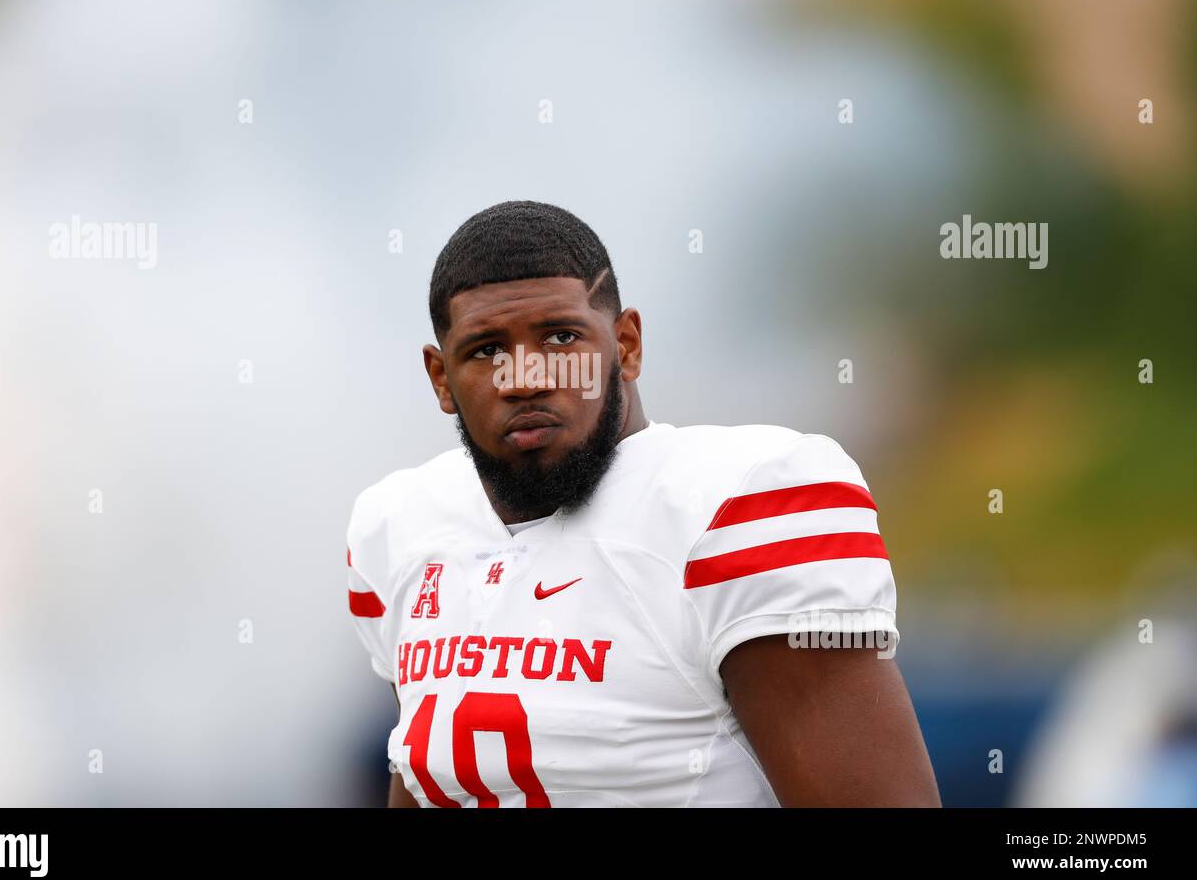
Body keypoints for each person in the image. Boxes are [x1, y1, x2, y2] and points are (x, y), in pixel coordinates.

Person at [344, 200, 940, 807]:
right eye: (486, 350)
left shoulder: (735, 505)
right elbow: (428, 777)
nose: (523, 377)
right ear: (442, 378)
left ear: (625, 345)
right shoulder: (401, 529)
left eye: (559, 337)